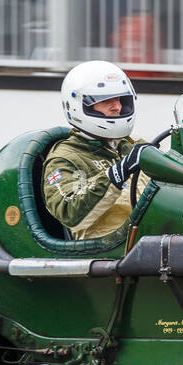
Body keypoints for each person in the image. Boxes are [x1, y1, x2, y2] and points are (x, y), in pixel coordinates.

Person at [43, 61, 148, 241]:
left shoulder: (133, 146)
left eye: (119, 99)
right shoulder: (64, 159)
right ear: (79, 106)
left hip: (153, 236)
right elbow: (68, 212)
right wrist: (116, 174)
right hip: (107, 252)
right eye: (105, 101)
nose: (117, 107)